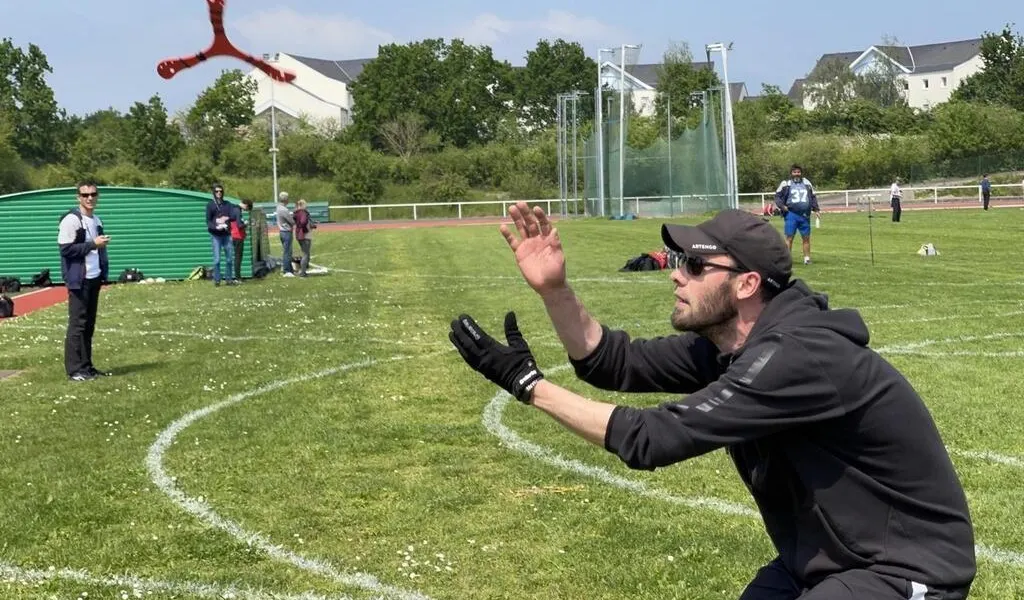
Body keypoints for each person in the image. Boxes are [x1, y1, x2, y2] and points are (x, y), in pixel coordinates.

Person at [448, 201, 976, 600]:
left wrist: (530, 386)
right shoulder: (729, 346)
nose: (676, 273)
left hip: (905, 572)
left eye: (696, 267)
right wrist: (554, 290)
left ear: (746, 284)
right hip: (819, 565)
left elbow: (650, 439)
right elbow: (612, 361)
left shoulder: (798, 356)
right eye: (677, 260)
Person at [58, 179, 112, 381]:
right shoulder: (71, 220)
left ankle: (87, 367)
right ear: (78, 197)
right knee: (77, 325)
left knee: (89, 324)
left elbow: (99, 248)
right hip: (78, 279)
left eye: (93, 194)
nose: (89, 198)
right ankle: (74, 370)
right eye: (85, 195)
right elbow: (66, 249)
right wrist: (92, 244)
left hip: (94, 277)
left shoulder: (96, 220)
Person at [774, 164, 820, 265]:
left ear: (801, 173)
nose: (796, 174)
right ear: (791, 173)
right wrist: (782, 206)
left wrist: (816, 209)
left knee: (806, 237)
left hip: (804, 215)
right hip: (791, 214)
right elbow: (777, 196)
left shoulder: (807, 183)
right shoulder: (786, 183)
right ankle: (787, 260)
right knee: (789, 237)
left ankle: (807, 259)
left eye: (798, 172)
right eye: (794, 172)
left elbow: (812, 197)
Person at [205, 183, 237, 286]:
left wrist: (226, 218)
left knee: (229, 259)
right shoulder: (210, 205)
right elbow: (208, 221)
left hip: (226, 234)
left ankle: (228, 279)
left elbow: (233, 215)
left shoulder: (227, 204)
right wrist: (216, 226)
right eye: (217, 191)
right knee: (217, 260)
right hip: (215, 235)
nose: (219, 193)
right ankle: (217, 280)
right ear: (213, 193)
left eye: (220, 191)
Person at [230, 198, 253, 281]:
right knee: (238, 257)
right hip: (237, 236)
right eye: (247, 209)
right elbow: (239, 225)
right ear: (246, 205)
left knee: (237, 256)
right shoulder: (238, 211)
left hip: (234, 236)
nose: (246, 210)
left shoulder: (234, 208)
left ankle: (238, 276)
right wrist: (245, 223)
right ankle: (237, 277)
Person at [293, 198, 316, 277]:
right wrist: (307, 228)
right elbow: (303, 222)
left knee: (306, 253)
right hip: (305, 235)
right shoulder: (303, 212)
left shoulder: (296, 212)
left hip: (299, 234)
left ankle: (303, 270)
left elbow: (298, 222)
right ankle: (303, 272)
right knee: (306, 254)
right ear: (303, 205)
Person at [276, 191, 296, 277]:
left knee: (287, 251)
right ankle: (287, 270)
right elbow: (291, 221)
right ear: (285, 199)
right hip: (286, 232)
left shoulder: (279, 208)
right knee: (287, 252)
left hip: (283, 232)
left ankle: (289, 269)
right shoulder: (283, 209)